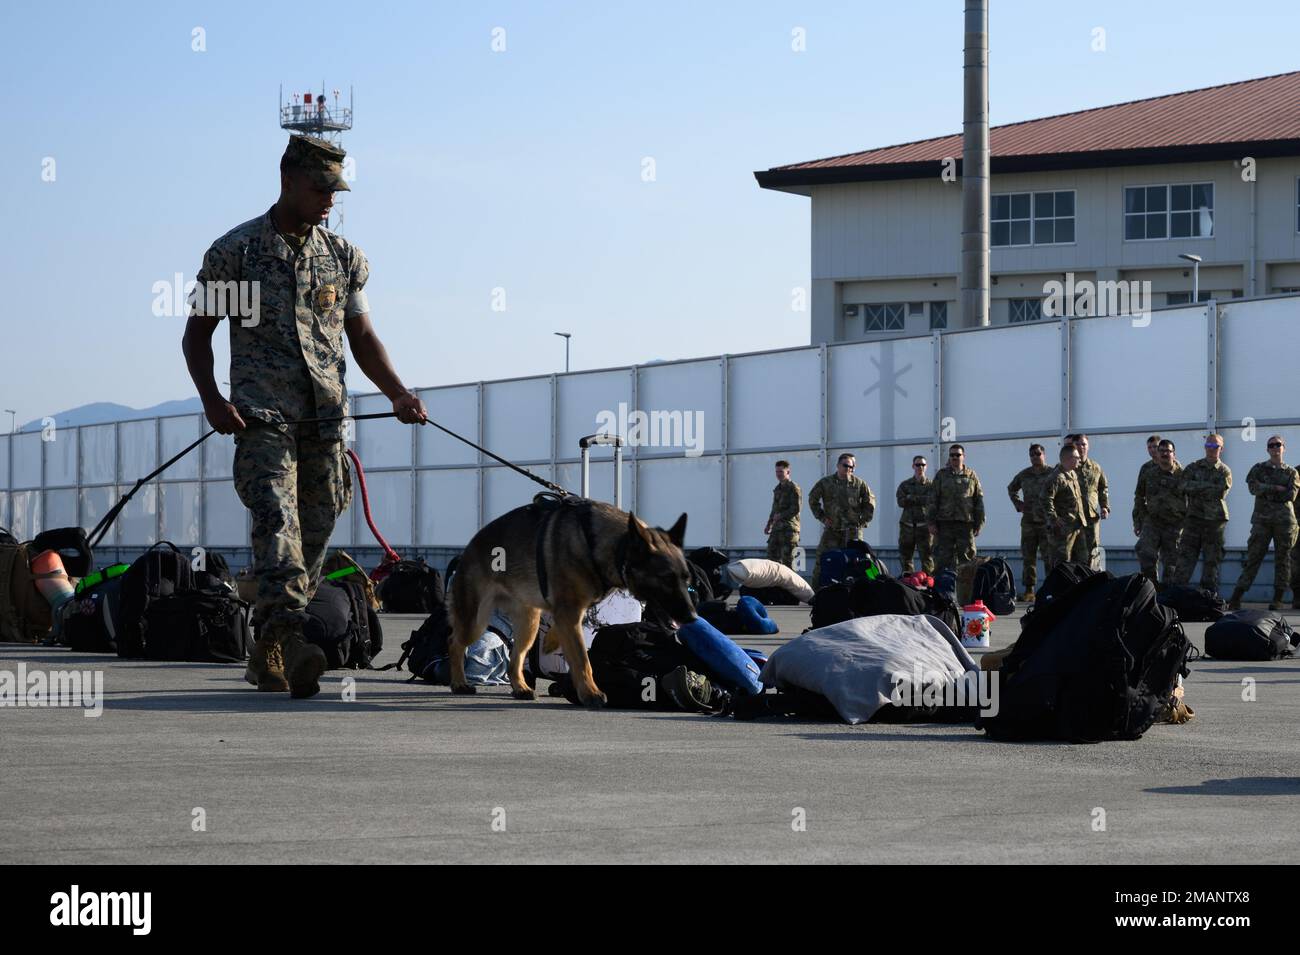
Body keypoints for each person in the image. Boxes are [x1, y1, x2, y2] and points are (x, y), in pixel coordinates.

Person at [182, 134, 428, 699]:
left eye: (335, 192)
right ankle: (292, 643)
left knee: (315, 530)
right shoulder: (237, 253)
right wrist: (212, 401)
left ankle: (266, 644)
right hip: (261, 419)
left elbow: (362, 337)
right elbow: (198, 335)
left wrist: (397, 392)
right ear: (287, 179)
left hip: (324, 422)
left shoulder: (342, 258)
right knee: (276, 522)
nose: (329, 201)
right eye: (320, 188)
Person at [1228, 436, 1298, 610]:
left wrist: (1265, 489)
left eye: (1278, 445)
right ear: (1267, 449)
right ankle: (1236, 597)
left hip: (1285, 523)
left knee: (1284, 560)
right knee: (1254, 557)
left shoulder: (1291, 473)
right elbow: (1253, 488)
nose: (1275, 448)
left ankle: (1278, 599)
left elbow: (1291, 495)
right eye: (1271, 445)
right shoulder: (1258, 469)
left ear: (1284, 448)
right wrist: (1275, 488)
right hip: (1262, 521)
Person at [1172, 433, 1232, 594]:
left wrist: (1197, 487)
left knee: (1212, 560)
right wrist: (1207, 486)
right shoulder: (1193, 467)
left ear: (1221, 448)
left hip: (1215, 522)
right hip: (1194, 520)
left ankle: (1208, 596)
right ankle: (1176, 594)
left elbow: (1220, 492)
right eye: (1209, 445)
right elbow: (1183, 486)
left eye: (1216, 446)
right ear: (1205, 446)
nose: (1212, 449)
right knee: (1185, 557)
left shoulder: (1224, 471)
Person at [808, 453, 876, 587]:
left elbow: (870, 501)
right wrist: (822, 517)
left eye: (852, 466)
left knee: (863, 559)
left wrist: (863, 521)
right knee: (821, 558)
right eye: (846, 466)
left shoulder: (859, 483)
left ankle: (872, 588)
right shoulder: (826, 483)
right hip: (833, 530)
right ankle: (815, 593)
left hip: (853, 531)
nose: (850, 469)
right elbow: (813, 499)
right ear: (838, 465)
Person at [1134, 439, 1185, 584]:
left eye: (1167, 451)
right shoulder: (1149, 474)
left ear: (1173, 454)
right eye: (1161, 450)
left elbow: (1192, 499)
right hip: (1153, 521)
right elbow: (1139, 496)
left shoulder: (1183, 474)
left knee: (1171, 563)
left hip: (1174, 524)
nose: (1164, 454)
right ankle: (1151, 587)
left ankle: (1168, 595)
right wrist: (1139, 520)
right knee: (1145, 552)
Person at [927, 444, 984, 573]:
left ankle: (965, 592)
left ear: (963, 456)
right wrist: (931, 522)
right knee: (942, 560)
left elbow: (978, 500)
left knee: (967, 562)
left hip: (965, 525)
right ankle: (942, 592)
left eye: (957, 455)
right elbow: (932, 500)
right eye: (952, 455)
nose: (954, 457)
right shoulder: (941, 475)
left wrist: (979, 523)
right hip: (944, 525)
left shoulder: (971, 475)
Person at [1007, 443, 1052, 600]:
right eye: (1032, 454)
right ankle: (1029, 590)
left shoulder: (1052, 473)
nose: (1035, 457)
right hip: (1029, 521)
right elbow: (1011, 488)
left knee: (1049, 557)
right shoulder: (1024, 475)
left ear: (1044, 455)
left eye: (1038, 453)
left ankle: (1051, 588)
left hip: (1047, 522)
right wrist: (1018, 503)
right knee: (1028, 557)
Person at [1042, 444, 1088, 570]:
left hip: (1077, 526)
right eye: (1077, 457)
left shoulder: (1072, 474)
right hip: (1063, 530)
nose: (1079, 459)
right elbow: (1045, 498)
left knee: (1082, 560)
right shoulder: (1056, 477)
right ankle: (1060, 589)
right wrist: (1054, 518)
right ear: (1068, 458)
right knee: (1062, 563)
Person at [1068, 433, 1109, 569]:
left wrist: (1104, 506)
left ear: (1088, 446)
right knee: (1071, 552)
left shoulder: (1095, 467)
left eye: (1084, 444)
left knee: (1094, 550)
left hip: (1091, 517)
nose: (1081, 447)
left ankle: (1096, 582)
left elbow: (1103, 487)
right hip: (1072, 518)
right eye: (1077, 444)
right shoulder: (1066, 467)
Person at [896, 455, 934, 575]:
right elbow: (901, 502)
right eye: (918, 465)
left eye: (923, 465)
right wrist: (922, 499)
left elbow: (932, 501)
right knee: (906, 558)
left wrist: (911, 497)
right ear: (913, 466)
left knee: (927, 559)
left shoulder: (931, 485)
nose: (920, 467)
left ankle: (929, 586)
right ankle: (909, 584)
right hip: (907, 526)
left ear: (926, 467)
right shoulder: (905, 485)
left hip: (924, 527)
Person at [764, 459, 802, 569]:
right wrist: (769, 524)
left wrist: (781, 516)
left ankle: (790, 586)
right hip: (777, 529)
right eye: (777, 472)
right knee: (771, 559)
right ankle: (774, 585)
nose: (778, 474)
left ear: (788, 472)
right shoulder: (778, 489)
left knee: (788, 562)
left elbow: (796, 508)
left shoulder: (793, 488)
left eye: (781, 472)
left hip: (789, 530)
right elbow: (774, 508)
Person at [1132, 434, 1162, 532]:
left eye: (1155, 446)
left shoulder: (1172, 465)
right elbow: (1139, 496)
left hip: (1170, 520)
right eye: (1150, 447)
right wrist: (1137, 521)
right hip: (1151, 518)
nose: (1153, 450)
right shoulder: (1145, 468)